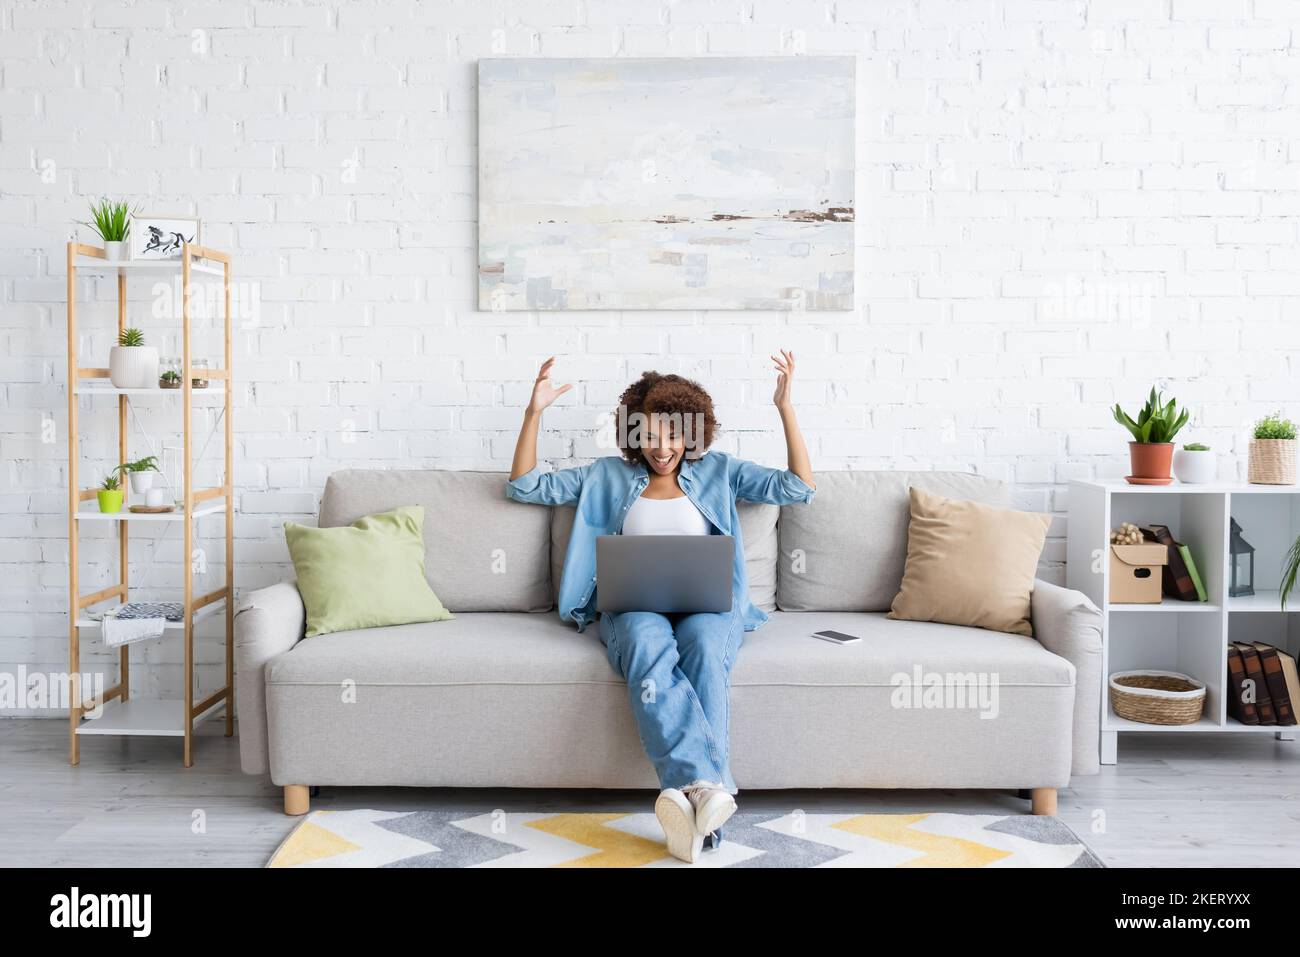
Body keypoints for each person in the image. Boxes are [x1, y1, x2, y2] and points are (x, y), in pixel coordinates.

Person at [505, 352, 816, 862]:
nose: (662, 448)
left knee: (705, 647)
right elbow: (524, 487)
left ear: (693, 434)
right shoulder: (605, 475)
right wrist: (533, 413)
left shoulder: (719, 472)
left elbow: (798, 488)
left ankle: (692, 805)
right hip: (633, 604)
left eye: (673, 436)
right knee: (648, 644)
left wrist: (785, 409)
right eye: (649, 435)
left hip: (708, 605)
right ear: (633, 435)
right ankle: (708, 794)